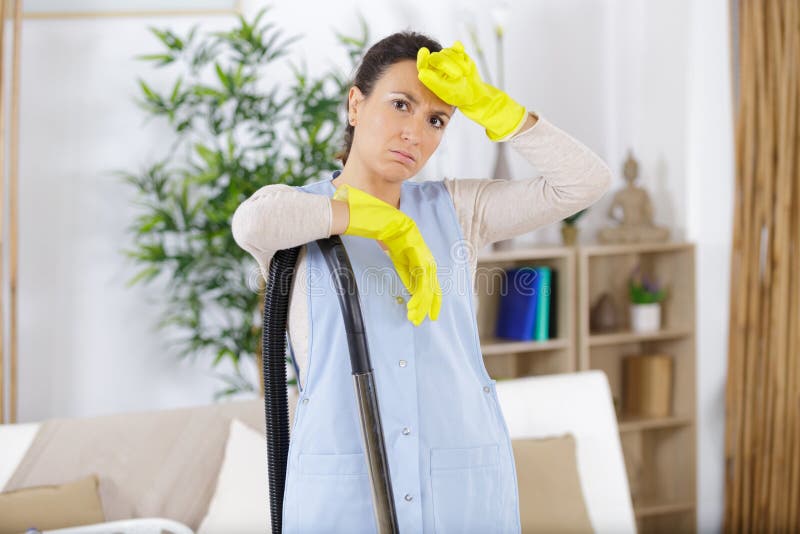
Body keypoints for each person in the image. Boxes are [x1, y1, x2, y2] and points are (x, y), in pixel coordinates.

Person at [232, 30, 611, 534]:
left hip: (460, 483)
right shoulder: (297, 215)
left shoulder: (458, 210)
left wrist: (493, 108)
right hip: (343, 488)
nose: (416, 132)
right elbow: (250, 222)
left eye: (436, 119)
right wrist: (378, 221)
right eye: (400, 104)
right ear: (355, 105)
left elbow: (584, 182)